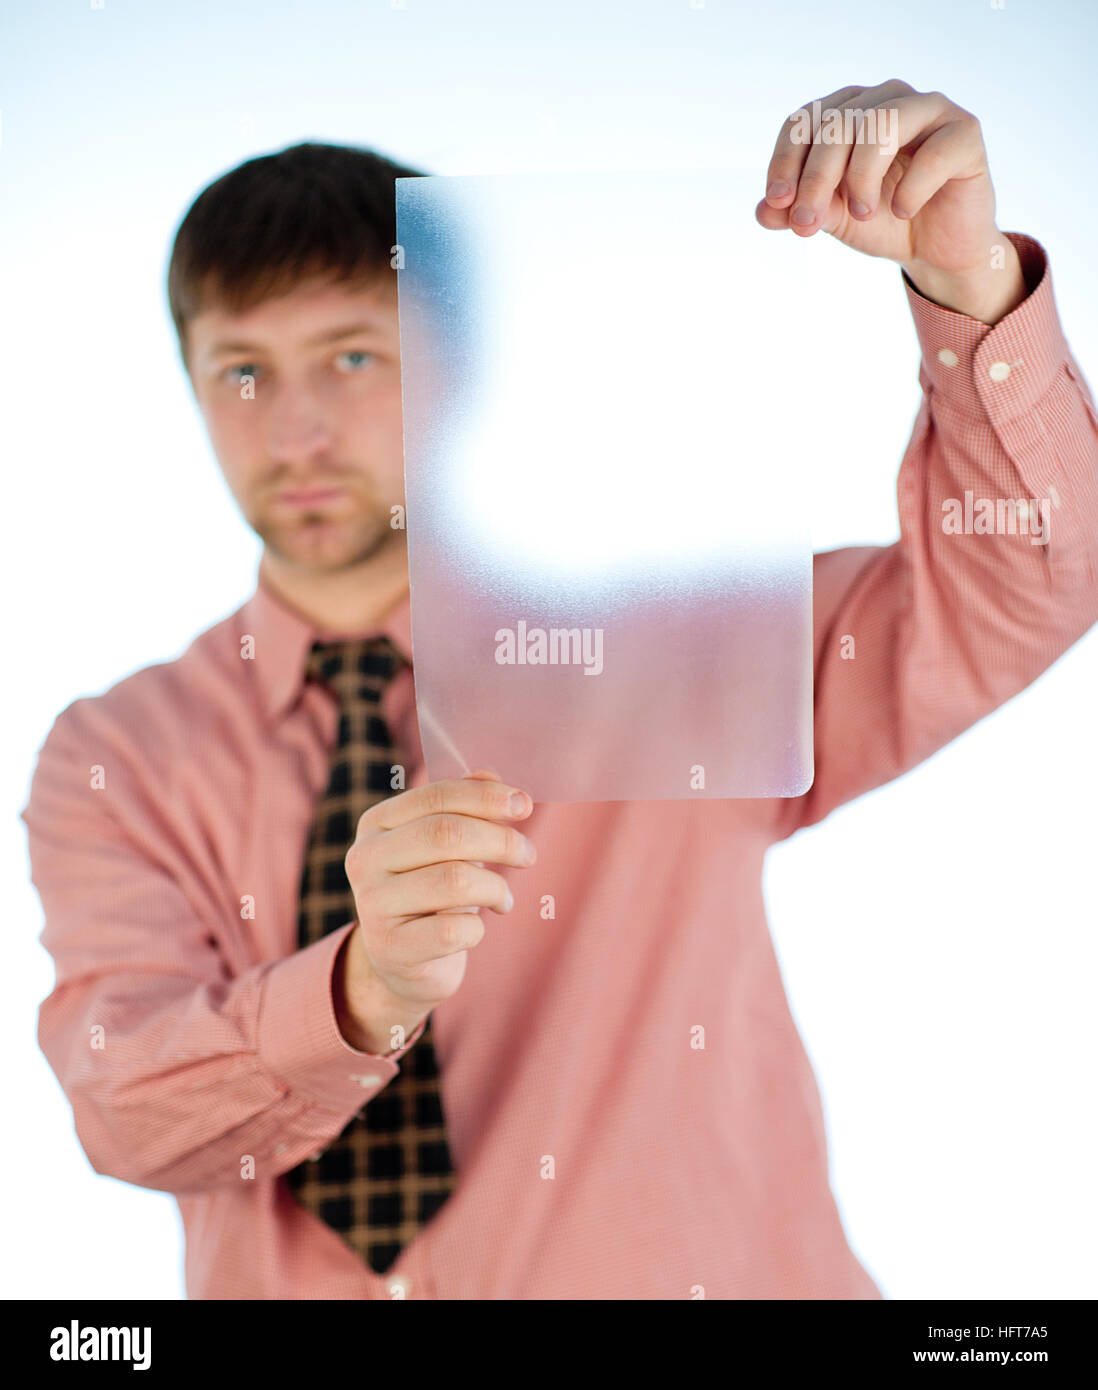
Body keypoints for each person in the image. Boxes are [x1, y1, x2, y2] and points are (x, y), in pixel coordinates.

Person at [22, 80, 1098, 1300]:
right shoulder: (113, 754)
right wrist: (360, 989)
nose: (300, 429)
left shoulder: (679, 652)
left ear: (450, 364)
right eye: (245, 372)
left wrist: (969, 291)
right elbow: (126, 1114)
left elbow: (1029, 582)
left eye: (353, 355)